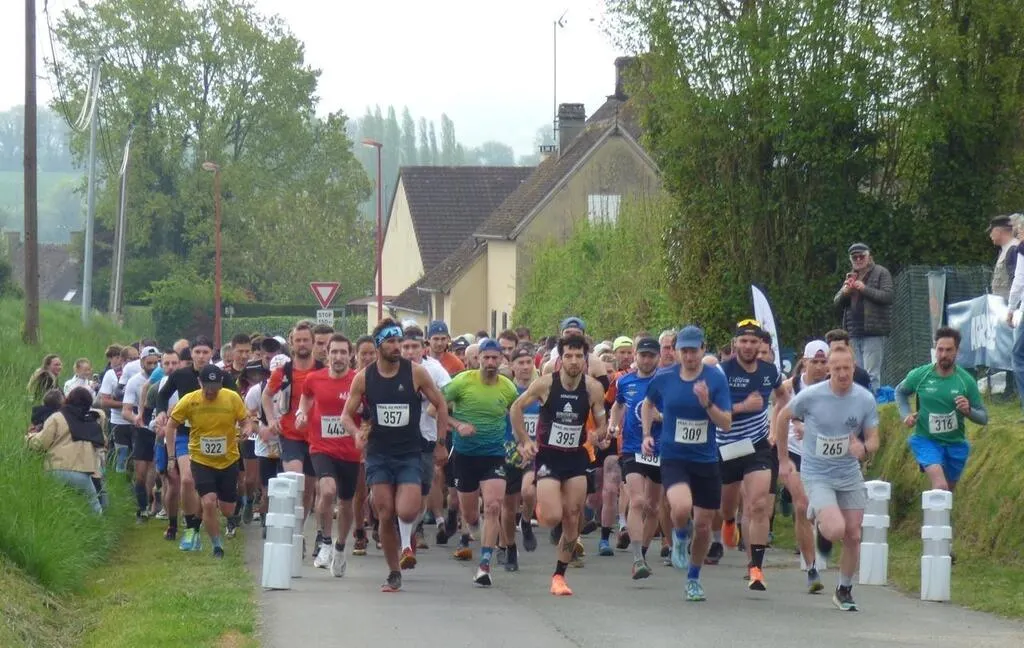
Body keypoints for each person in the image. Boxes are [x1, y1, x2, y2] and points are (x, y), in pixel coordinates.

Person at [341, 319, 450, 593]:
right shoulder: (364, 377)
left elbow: (441, 404)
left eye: (399, 341)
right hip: (379, 454)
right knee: (385, 512)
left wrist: (439, 442)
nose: (397, 346)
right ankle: (394, 571)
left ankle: (406, 539)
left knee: (408, 510)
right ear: (378, 345)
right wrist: (356, 432)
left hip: (409, 453)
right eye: (391, 341)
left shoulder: (415, 373)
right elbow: (345, 415)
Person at [776, 345, 879, 612]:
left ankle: (844, 589)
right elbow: (782, 416)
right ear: (829, 370)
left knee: (854, 534)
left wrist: (863, 448)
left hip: (848, 473)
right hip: (817, 473)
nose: (843, 374)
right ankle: (818, 513)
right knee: (835, 530)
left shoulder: (865, 399)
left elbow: (874, 439)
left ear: (853, 367)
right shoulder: (811, 396)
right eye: (837, 369)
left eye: (847, 368)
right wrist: (784, 459)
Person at [511, 334, 608, 596]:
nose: (574, 361)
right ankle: (537, 508)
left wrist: (598, 435)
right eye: (568, 356)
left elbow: (602, 424)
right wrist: (525, 440)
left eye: (579, 356)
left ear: (585, 360)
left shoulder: (592, 389)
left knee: (573, 516)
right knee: (552, 516)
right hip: (549, 457)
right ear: (560, 360)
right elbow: (516, 409)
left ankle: (559, 576)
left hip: (575, 457)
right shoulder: (545, 385)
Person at [643, 326, 732, 601]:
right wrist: (647, 434)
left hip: (705, 459)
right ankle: (680, 535)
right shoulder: (665, 377)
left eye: (694, 350)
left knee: (704, 525)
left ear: (703, 349)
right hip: (674, 456)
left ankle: (693, 577)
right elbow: (648, 404)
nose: (690, 356)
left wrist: (707, 404)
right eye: (684, 351)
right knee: (680, 507)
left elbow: (726, 424)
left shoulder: (715, 379)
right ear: (677, 351)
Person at [717, 319, 789, 591]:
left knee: (757, 505)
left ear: (761, 344)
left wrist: (773, 425)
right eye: (743, 341)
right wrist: (743, 406)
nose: (748, 346)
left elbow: (782, 398)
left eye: (753, 341)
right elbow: (712, 408)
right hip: (726, 446)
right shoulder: (722, 372)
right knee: (727, 506)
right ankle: (727, 521)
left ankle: (756, 567)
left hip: (757, 446)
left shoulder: (769, 371)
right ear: (735, 343)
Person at [443, 338, 519, 586]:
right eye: (485, 357)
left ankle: (485, 564)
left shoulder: (508, 387)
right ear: (478, 359)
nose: (490, 362)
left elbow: (516, 414)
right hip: (465, 455)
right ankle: (473, 524)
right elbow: (437, 408)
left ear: (502, 360)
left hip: (494, 453)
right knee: (471, 514)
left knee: (494, 505)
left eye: (495, 358)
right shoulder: (462, 382)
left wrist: (523, 441)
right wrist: (457, 425)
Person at [166, 365, 250, 559]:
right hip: (201, 460)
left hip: (228, 460)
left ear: (221, 384)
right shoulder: (189, 400)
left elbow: (246, 421)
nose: (211, 391)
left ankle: (209, 515)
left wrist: (246, 429)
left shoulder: (231, 398)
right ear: (199, 383)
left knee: (227, 509)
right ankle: (217, 546)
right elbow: (171, 426)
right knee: (209, 501)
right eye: (207, 387)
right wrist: (172, 457)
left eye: (215, 387)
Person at [297, 333, 362, 577]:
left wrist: (363, 430)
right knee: (327, 490)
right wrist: (301, 414)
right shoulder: (314, 379)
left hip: (350, 451)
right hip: (320, 447)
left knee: (346, 502)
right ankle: (324, 540)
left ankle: (340, 546)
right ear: (326, 354)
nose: (338, 356)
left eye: (343, 352)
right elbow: (305, 398)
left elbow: (367, 412)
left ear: (350, 354)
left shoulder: (358, 381)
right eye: (333, 352)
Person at [896, 327, 987, 494]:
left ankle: (934, 520)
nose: (943, 354)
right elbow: (900, 392)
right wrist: (906, 415)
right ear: (935, 350)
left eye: (949, 350)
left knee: (947, 493)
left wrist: (968, 411)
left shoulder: (966, 381)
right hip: (926, 440)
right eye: (940, 349)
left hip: (955, 444)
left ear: (957, 351)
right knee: (940, 486)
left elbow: (983, 418)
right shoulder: (921, 375)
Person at [773, 340, 831, 592]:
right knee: (801, 505)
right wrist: (780, 452)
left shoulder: (836, 388)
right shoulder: (790, 387)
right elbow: (779, 414)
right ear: (804, 362)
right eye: (814, 362)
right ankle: (811, 568)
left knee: (821, 511)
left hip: (823, 455)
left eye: (823, 362)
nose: (819, 367)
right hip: (795, 455)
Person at [611, 336, 664, 579]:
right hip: (632, 447)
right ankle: (637, 558)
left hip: (660, 449)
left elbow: (676, 410)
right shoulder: (625, 381)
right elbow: (618, 405)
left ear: (658, 357)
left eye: (651, 356)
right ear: (636, 356)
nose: (646, 360)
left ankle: (642, 551)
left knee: (653, 507)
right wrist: (613, 425)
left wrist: (661, 418)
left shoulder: (666, 381)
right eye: (642, 355)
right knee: (637, 501)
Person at [27, 386, 107, 514]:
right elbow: (103, 442)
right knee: (95, 508)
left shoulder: (57, 417)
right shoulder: (93, 420)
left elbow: (40, 444)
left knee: (53, 508)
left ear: (68, 399)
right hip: (83, 472)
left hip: (55, 469)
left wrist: (29, 438)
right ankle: (100, 530)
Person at [833, 242, 893, 393]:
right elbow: (836, 301)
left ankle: (873, 406)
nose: (858, 260)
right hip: (853, 331)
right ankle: (857, 405)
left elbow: (888, 296)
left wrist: (864, 289)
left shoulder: (881, 272)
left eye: (861, 256)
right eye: (855, 257)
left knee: (871, 374)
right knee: (856, 373)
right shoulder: (850, 276)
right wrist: (846, 292)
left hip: (873, 331)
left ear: (869, 257)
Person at [121, 346, 161, 523]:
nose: (153, 366)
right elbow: (126, 410)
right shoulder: (134, 381)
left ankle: (153, 503)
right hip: (141, 430)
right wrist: (135, 418)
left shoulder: (164, 378)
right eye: (149, 363)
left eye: (155, 362)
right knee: (141, 472)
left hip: (159, 429)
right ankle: (142, 508)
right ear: (142, 362)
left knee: (156, 470)